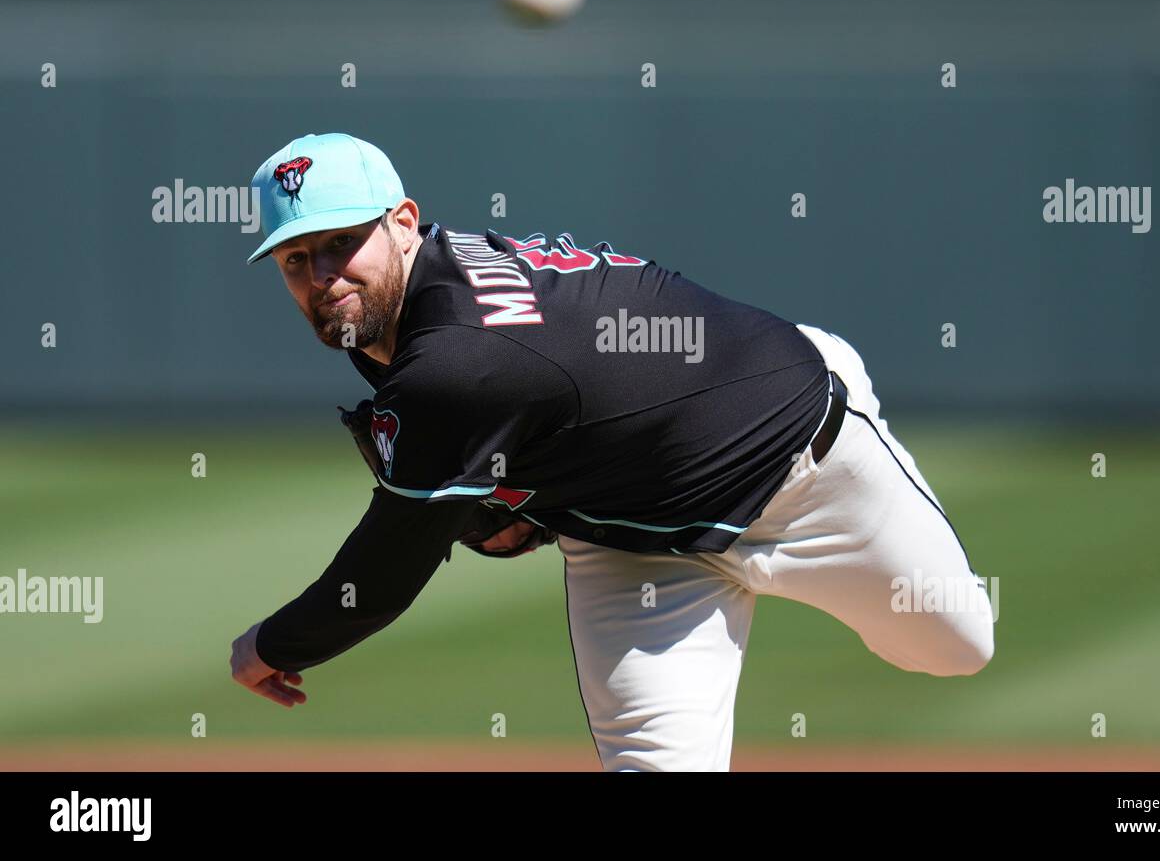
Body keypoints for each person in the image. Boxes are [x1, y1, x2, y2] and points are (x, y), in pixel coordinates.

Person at [229, 131, 995, 771]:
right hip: (633, 543)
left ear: (403, 222)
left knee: (957, 646)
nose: (323, 276)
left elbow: (386, 570)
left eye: (341, 243)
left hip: (798, 458)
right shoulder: (401, 311)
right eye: (296, 259)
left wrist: (273, 643)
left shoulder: (453, 359)